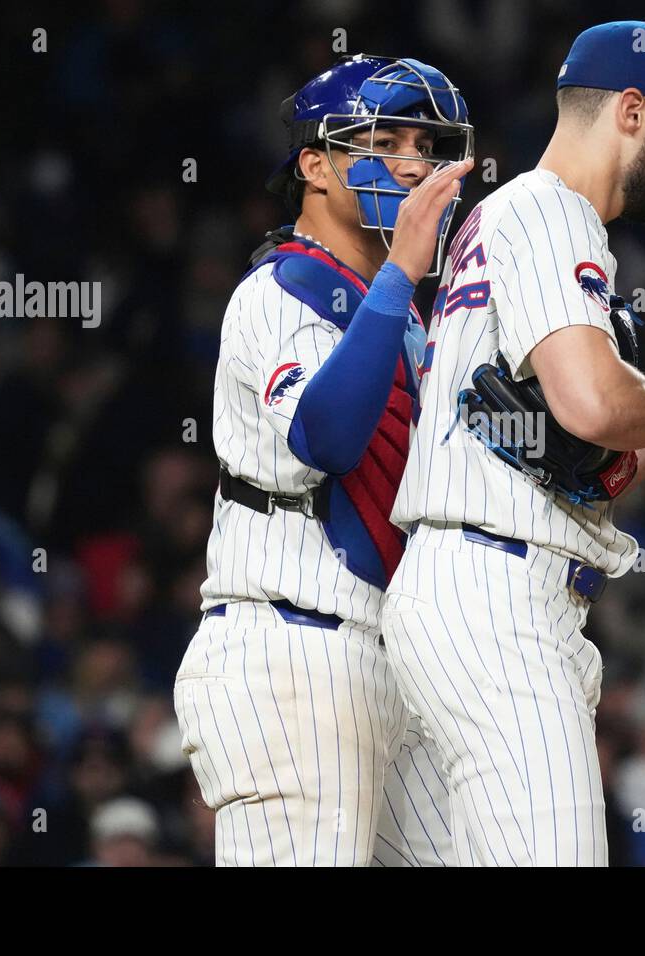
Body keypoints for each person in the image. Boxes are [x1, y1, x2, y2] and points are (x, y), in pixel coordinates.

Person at [381, 21, 645, 865]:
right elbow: (595, 402)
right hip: (495, 599)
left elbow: (538, 448)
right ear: (632, 110)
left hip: (471, 584)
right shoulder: (551, 209)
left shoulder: (514, 218)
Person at [173, 53, 475, 866]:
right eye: (381, 139)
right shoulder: (277, 291)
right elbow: (330, 436)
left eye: (428, 142)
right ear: (314, 164)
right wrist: (403, 272)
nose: (413, 162)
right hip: (288, 653)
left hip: (392, 667)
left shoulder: (406, 313)